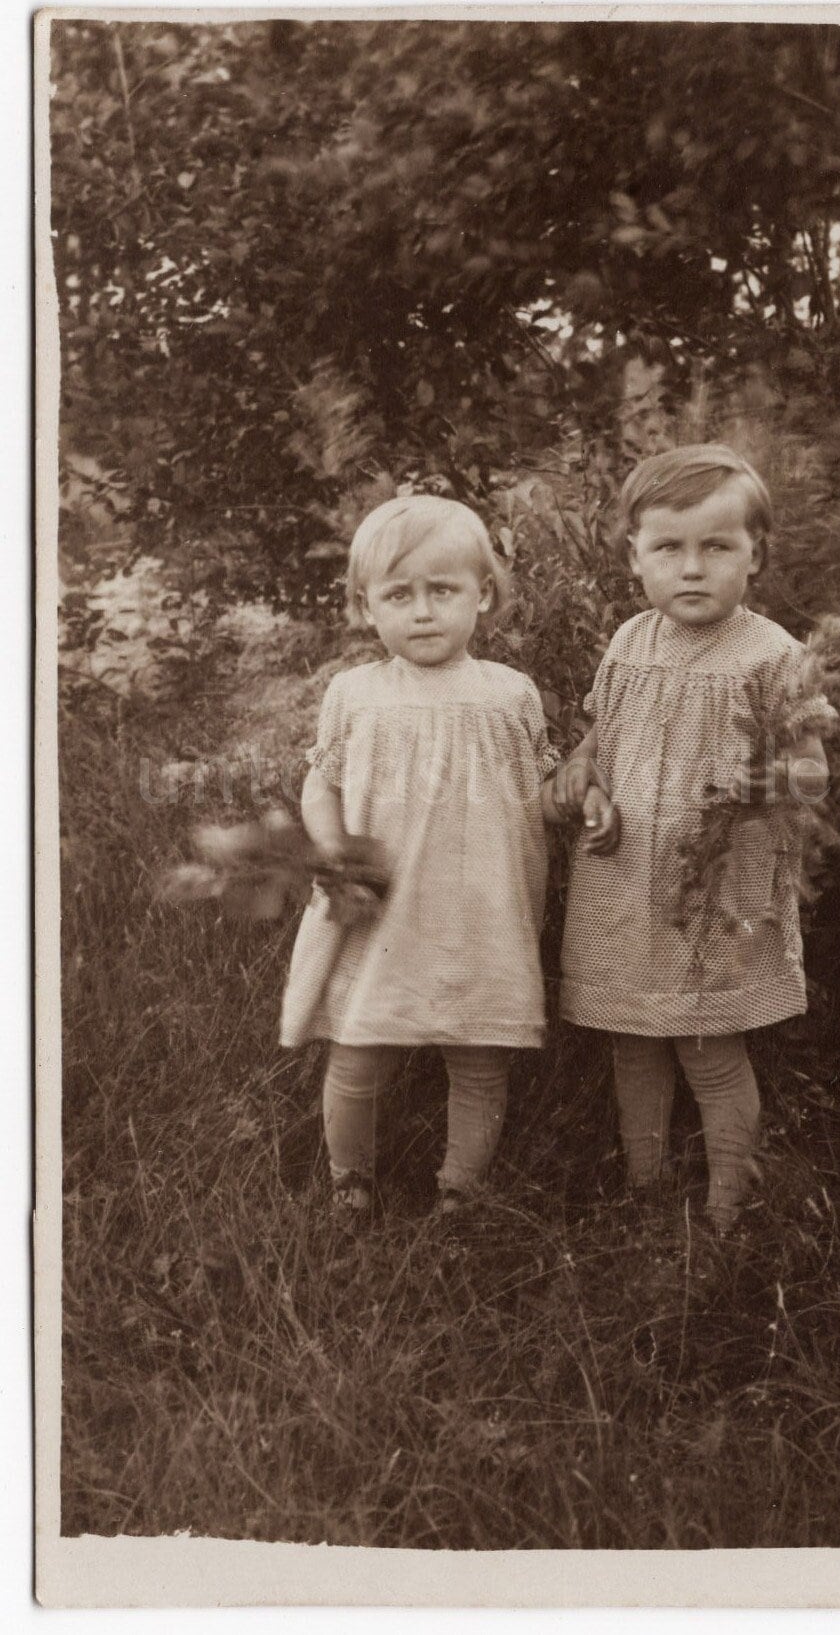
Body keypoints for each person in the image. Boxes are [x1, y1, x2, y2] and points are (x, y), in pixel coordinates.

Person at [550, 444, 835, 1234]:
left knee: (708, 1047)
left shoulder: (775, 657)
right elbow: (598, 742)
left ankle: (724, 1209)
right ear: (634, 557)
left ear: (756, 556)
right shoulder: (629, 643)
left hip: (713, 891)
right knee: (634, 1043)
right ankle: (644, 1189)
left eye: (717, 546)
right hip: (624, 881)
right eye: (668, 548)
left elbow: (811, 773)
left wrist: (753, 790)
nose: (692, 567)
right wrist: (591, 787)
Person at [280, 494, 573, 1219]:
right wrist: (331, 844)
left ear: (484, 594)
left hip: (481, 905)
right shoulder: (356, 693)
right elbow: (323, 781)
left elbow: (537, 793)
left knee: (479, 1054)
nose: (422, 611)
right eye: (398, 594)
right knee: (359, 1047)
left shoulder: (510, 694)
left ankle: (461, 1190)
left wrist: (581, 801)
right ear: (364, 605)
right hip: (383, 905)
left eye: (442, 591)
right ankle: (351, 1179)